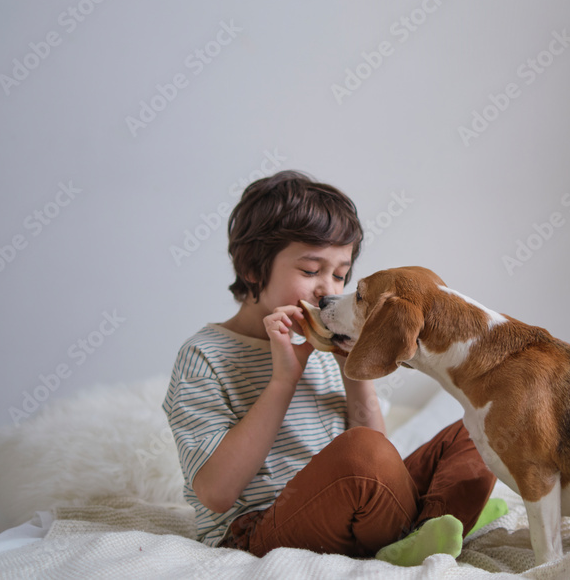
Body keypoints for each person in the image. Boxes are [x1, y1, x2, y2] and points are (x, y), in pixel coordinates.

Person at [162, 170, 505, 565]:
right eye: (310, 271)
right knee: (361, 451)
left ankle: (427, 530)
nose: (329, 290)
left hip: (354, 511)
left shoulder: (324, 346)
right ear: (254, 270)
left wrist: (354, 373)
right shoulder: (205, 356)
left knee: (483, 421)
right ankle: (436, 525)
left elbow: (382, 460)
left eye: (340, 275)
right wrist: (283, 381)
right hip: (258, 529)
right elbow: (216, 492)